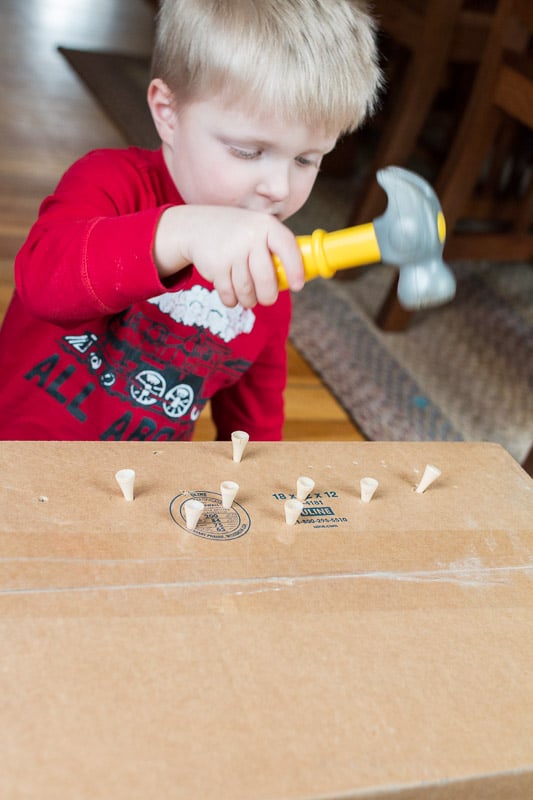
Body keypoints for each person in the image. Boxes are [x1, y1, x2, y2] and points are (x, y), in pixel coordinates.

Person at [0, 0, 381, 442]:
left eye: (306, 159)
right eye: (248, 151)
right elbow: (43, 283)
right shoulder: (108, 183)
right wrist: (184, 230)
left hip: (142, 493)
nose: (279, 186)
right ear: (168, 112)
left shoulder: (265, 274)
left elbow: (254, 422)